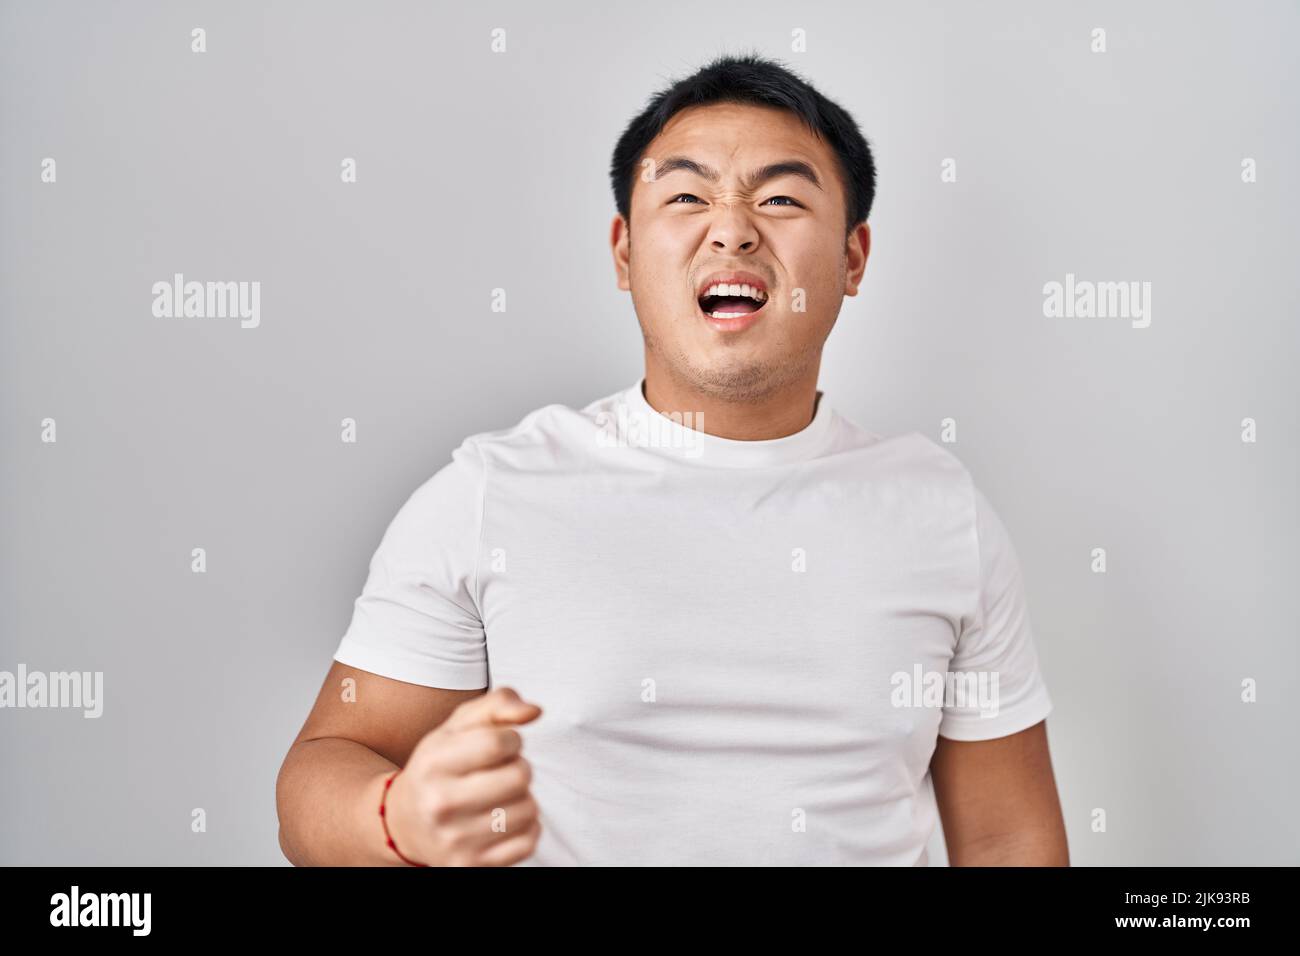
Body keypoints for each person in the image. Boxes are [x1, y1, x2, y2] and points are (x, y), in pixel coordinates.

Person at [276, 51, 1068, 867]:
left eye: (783, 199)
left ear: (852, 259)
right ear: (624, 253)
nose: (732, 229)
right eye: (687, 196)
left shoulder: (939, 512)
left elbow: (1009, 839)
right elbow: (317, 778)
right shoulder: (490, 496)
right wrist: (395, 818)